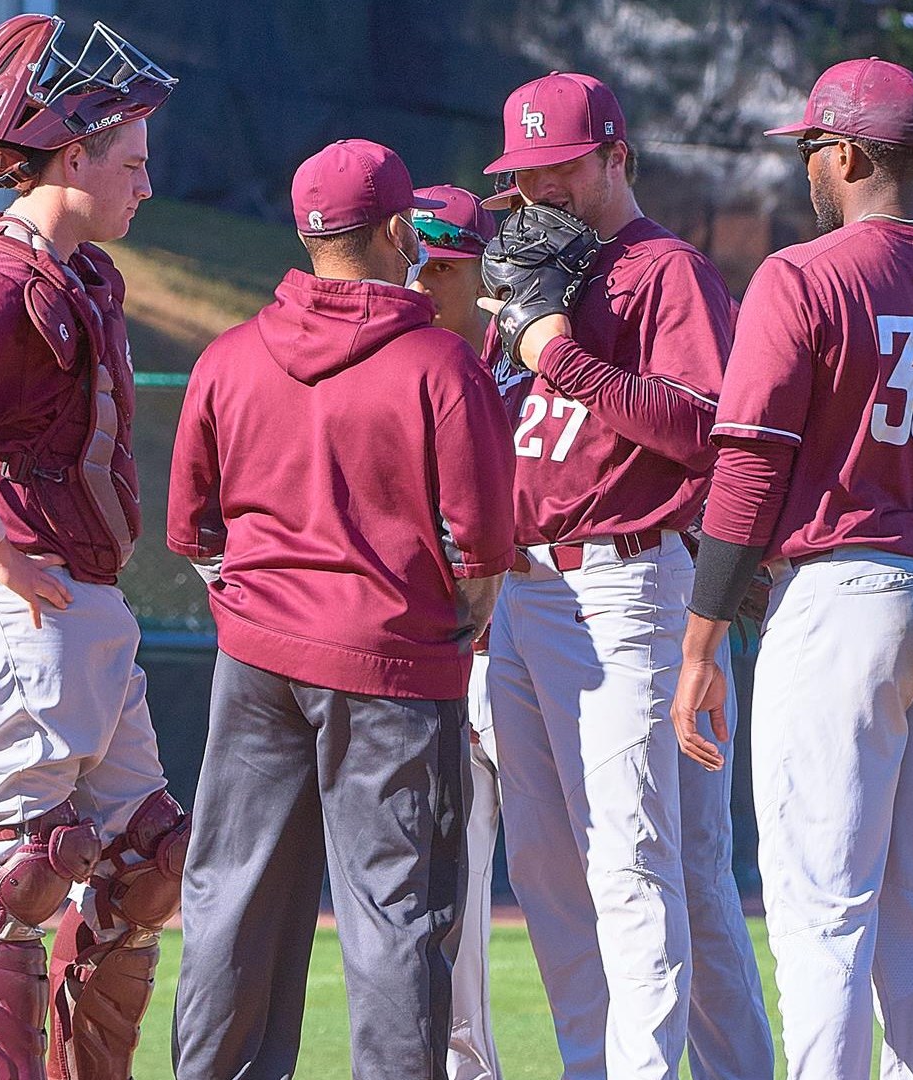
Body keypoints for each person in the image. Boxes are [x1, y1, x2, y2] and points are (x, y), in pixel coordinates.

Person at [670, 57, 913, 1080]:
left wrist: (702, 639)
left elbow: (750, 470)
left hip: (844, 600)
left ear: (841, 154)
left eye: (810, 149)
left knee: (824, 915)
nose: (807, 166)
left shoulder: (804, 275)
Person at [166, 140, 517, 1080]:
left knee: (230, 901)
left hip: (256, 660)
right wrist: (455, 629)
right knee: (396, 913)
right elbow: (482, 551)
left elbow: (193, 534)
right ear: (400, 229)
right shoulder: (441, 363)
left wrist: (263, 612)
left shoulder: (230, 355)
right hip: (394, 666)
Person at [0, 14, 185, 1080]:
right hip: (20, 601)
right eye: (130, 160)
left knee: (153, 863)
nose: (147, 181)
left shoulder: (80, 271)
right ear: (69, 156)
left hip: (76, 603)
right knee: (23, 871)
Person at [476, 71, 772, 1080]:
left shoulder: (669, 272)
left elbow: (710, 431)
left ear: (615, 158)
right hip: (522, 591)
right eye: (522, 174)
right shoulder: (529, 275)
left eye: (558, 168)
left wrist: (562, 357)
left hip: (627, 586)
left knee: (633, 864)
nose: (537, 191)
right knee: (560, 875)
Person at [408, 182, 508, 1080]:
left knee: (608, 879)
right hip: (438, 655)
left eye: (446, 263)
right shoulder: (394, 362)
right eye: (417, 256)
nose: (427, 277)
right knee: (449, 891)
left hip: (543, 631)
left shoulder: (514, 358)